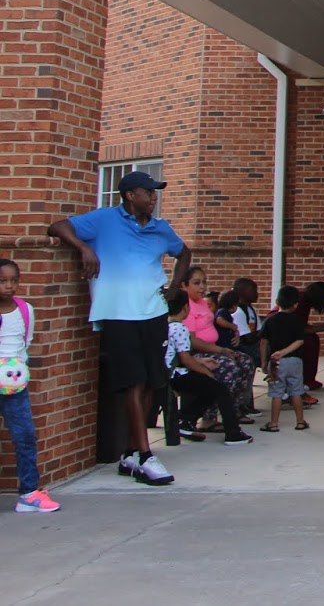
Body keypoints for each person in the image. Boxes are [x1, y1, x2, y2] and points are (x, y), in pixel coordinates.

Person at [48, 170, 190, 487]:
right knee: (133, 383)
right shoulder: (102, 221)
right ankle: (144, 454)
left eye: (155, 193)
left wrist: (175, 286)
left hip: (153, 312)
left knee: (153, 382)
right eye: (148, 192)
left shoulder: (160, 228)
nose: (154, 197)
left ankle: (129, 454)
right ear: (129, 195)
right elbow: (57, 226)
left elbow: (183, 253)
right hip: (118, 314)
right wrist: (83, 248)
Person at [0, 258, 59, 513]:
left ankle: (29, 493)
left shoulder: (25, 310)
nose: (9, 286)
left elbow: (26, 342)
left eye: (14, 280)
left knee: (25, 436)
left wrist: (19, 370)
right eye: (2, 281)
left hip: (15, 386)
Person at [163, 289, 252, 447]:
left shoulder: (165, 325)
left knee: (210, 390)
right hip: (176, 376)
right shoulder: (180, 328)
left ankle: (185, 419)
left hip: (169, 373)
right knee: (220, 388)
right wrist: (206, 372)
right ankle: (233, 432)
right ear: (185, 308)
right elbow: (186, 359)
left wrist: (201, 361)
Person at [178, 266, 255, 424]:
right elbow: (191, 340)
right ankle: (208, 419)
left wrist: (233, 334)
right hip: (196, 353)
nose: (202, 287)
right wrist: (221, 350)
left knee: (246, 362)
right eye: (197, 283)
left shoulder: (201, 302)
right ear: (184, 285)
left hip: (214, 348)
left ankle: (233, 409)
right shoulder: (185, 307)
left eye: (204, 282)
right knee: (229, 368)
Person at [261, 286, 310, 432]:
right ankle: (300, 422)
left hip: (276, 363)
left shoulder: (270, 321)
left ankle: (274, 423)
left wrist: (264, 362)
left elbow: (263, 342)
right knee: (296, 391)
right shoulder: (297, 321)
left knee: (277, 393)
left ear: (277, 302)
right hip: (295, 361)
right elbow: (300, 340)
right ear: (296, 304)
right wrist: (285, 352)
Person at [287, 281, 324, 391]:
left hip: (287, 331)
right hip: (280, 333)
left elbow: (299, 325)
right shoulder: (300, 302)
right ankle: (306, 380)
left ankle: (309, 378)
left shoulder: (303, 300)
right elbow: (297, 329)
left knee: (312, 338)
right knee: (309, 342)